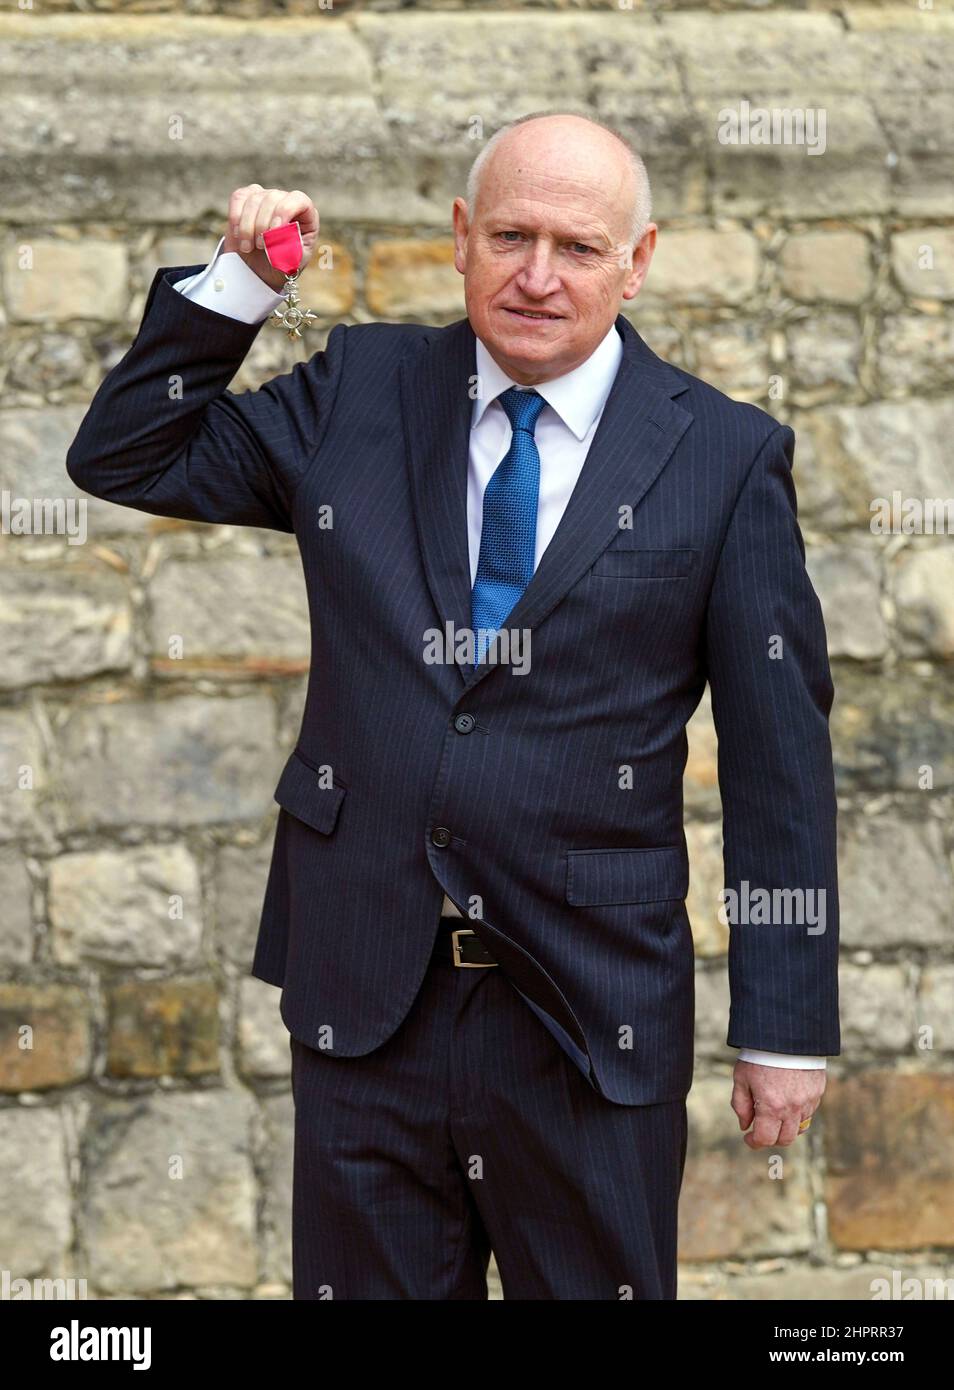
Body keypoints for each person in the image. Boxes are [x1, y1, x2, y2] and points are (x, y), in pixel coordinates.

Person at [66, 111, 840, 1300]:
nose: (538, 276)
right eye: (511, 236)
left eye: (578, 248)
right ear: (462, 237)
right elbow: (126, 454)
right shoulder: (358, 391)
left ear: (638, 263)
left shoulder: (725, 459)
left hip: (587, 1021)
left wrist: (783, 1026)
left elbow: (778, 761)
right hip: (366, 994)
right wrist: (238, 285)